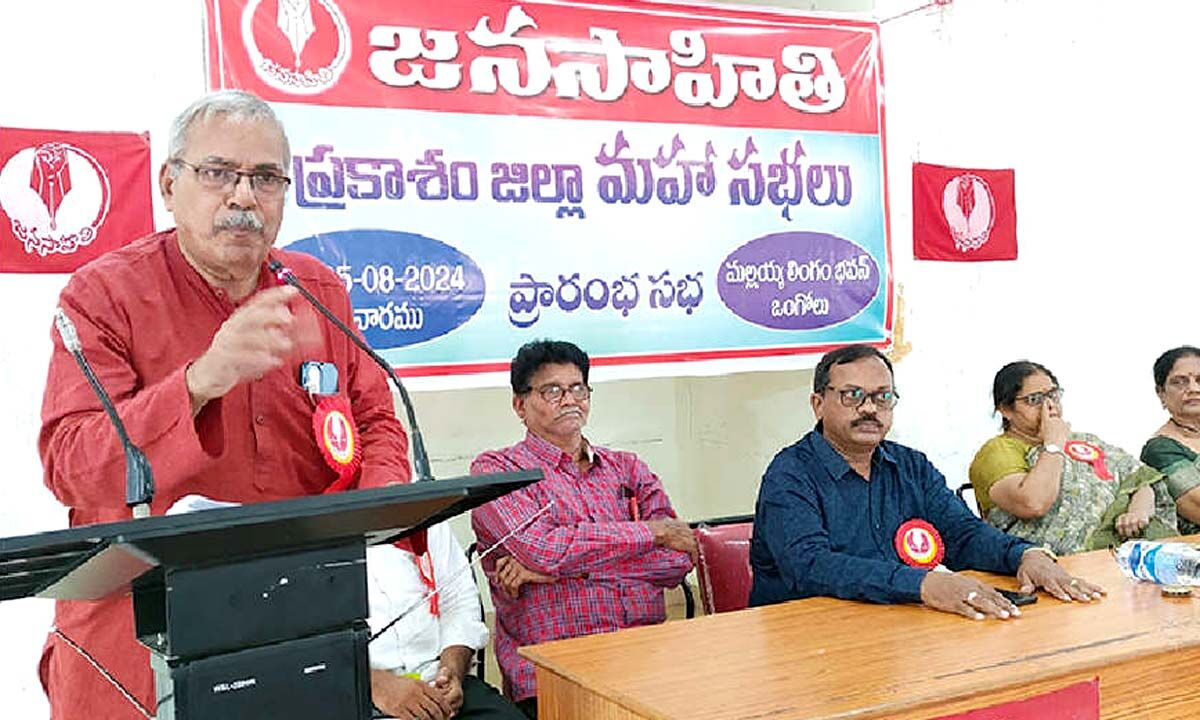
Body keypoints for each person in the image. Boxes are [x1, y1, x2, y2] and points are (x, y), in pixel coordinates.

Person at [37, 90, 410, 720]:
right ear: (169, 183)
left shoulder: (316, 291)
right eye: (217, 173)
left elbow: (376, 422)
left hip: (302, 623)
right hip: (142, 637)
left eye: (265, 178)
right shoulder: (103, 295)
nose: (243, 197)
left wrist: (361, 523)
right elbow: (69, 462)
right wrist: (198, 382)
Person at [750, 345, 1104, 621]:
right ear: (818, 404)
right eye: (852, 395)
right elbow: (811, 567)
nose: (870, 408)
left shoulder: (910, 466)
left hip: (899, 627)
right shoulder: (790, 475)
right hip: (809, 638)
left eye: (882, 396)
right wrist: (922, 584)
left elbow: (961, 532)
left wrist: (1024, 554)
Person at [470, 340, 696, 719]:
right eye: (551, 391)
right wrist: (650, 533)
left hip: (647, 659)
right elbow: (543, 550)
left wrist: (559, 571)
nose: (569, 400)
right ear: (519, 405)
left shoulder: (628, 468)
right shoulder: (498, 473)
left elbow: (677, 562)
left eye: (578, 388)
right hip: (555, 672)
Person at [969, 361, 1176, 554]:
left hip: (1120, 553)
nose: (1049, 406)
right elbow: (1033, 504)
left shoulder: (1082, 442)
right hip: (1047, 565)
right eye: (1034, 400)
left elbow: (1140, 479)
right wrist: (1053, 445)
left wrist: (1137, 511)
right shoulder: (997, 452)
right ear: (1006, 410)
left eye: (1053, 395)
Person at [366, 524, 528, 720]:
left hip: (436, 682)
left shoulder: (423, 512)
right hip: (354, 694)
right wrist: (377, 685)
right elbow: (319, 650)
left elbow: (459, 601)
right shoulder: (321, 523)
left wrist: (451, 671)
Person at [1141, 346, 1200, 535]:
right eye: (1180, 382)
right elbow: (1196, 504)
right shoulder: (1160, 449)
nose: (1193, 388)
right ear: (1161, 393)